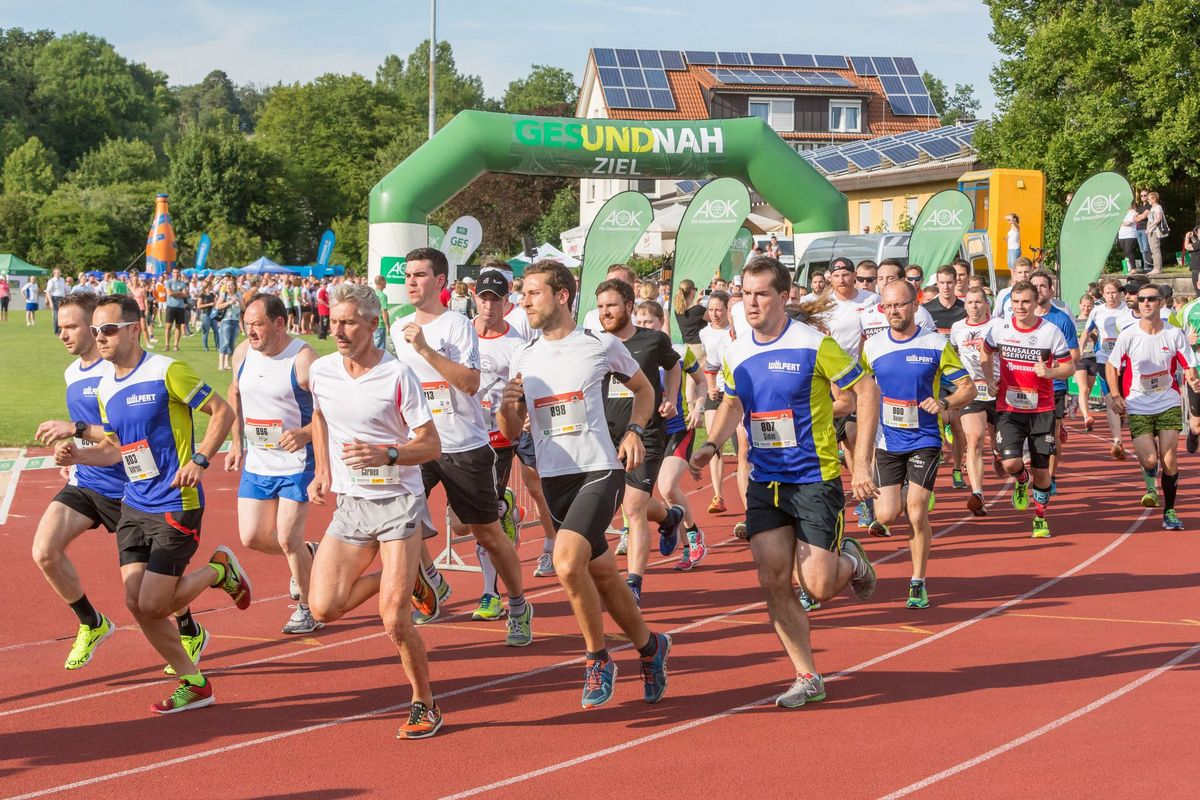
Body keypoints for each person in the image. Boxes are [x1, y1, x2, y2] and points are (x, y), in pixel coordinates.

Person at [689, 256, 879, 708]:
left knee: (815, 586)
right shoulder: (736, 350)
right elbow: (733, 404)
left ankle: (851, 561)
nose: (750, 302)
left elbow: (865, 390)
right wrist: (713, 445)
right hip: (766, 481)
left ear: (784, 296)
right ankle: (806, 674)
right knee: (773, 579)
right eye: (745, 293)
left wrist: (865, 464)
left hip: (815, 479)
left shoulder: (814, 344)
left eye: (761, 293)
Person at [54, 294, 246, 713]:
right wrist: (77, 454)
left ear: (133, 328)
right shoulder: (105, 386)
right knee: (136, 603)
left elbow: (222, 412)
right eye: (96, 330)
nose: (99, 337)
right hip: (134, 504)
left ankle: (219, 570)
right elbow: (113, 448)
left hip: (176, 502)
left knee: (157, 603)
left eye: (108, 329)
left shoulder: (166, 370)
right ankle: (194, 682)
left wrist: (200, 459)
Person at [499, 260, 670, 710]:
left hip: (599, 468)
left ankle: (597, 657)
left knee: (566, 561)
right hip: (555, 478)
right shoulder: (524, 356)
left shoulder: (600, 345)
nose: (525, 301)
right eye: (523, 294)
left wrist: (634, 430)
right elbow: (514, 428)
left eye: (533, 293)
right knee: (607, 581)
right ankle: (652, 648)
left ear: (562, 295)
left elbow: (645, 391)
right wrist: (507, 406)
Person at [305, 281, 446, 738]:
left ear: (371, 323)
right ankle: (409, 581)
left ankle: (424, 703)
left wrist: (387, 454)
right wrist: (322, 469)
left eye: (348, 322)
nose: (339, 330)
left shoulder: (397, 374)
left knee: (394, 619)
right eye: (333, 322)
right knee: (322, 607)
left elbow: (430, 444)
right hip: (351, 505)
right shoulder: (323, 372)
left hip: (397, 503)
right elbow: (320, 416)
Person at [390, 248, 533, 645]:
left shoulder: (456, 327)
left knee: (484, 533)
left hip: (464, 445)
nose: (412, 282)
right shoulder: (398, 326)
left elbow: (469, 383)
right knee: (400, 523)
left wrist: (424, 350)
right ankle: (433, 582)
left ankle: (518, 604)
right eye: (408, 275)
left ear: (440, 282)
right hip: (418, 443)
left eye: (420, 275)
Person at [861, 280, 974, 608]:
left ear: (915, 304)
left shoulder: (936, 344)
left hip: (924, 438)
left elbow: (967, 388)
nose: (894, 311)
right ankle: (910, 491)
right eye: (888, 306)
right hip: (888, 440)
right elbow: (861, 391)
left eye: (900, 305)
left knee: (915, 511)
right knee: (883, 515)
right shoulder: (873, 347)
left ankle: (917, 581)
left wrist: (944, 403)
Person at [31, 293, 129, 669]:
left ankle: (188, 629)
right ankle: (92, 623)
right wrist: (72, 456)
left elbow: (119, 435)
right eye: (60, 326)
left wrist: (74, 431)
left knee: (150, 588)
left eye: (70, 326)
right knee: (44, 550)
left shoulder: (116, 371)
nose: (62, 334)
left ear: (93, 327)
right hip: (86, 482)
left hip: (129, 490)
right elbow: (87, 434)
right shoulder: (72, 373)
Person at [225, 293, 321, 634]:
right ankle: (308, 553)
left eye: (258, 324)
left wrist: (307, 433)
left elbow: (330, 411)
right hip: (259, 462)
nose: (250, 331)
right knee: (251, 537)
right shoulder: (242, 354)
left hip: (297, 464)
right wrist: (236, 443)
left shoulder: (304, 359)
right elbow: (234, 392)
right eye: (246, 324)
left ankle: (308, 609)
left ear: (280, 323)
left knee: (287, 539)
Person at [595, 279, 685, 605]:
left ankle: (632, 585)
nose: (605, 312)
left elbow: (674, 367)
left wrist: (672, 397)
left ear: (629, 306)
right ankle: (668, 517)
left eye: (612, 305)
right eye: (601, 306)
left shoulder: (652, 340)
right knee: (625, 502)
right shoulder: (595, 343)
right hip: (605, 434)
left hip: (645, 433)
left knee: (632, 507)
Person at [979, 282, 1075, 538]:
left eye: (1026, 302)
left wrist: (1051, 372)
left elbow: (1070, 368)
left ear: (1035, 303)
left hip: (1041, 410)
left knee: (1042, 474)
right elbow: (985, 353)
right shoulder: (999, 328)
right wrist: (990, 380)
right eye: (1016, 302)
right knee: (1010, 462)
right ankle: (1021, 480)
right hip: (1008, 407)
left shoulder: (1050, 332)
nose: (1020, 307)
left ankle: (1040, 517)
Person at [1106, 286, 1198, 529]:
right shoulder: (1129, 335)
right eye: (1142, 299)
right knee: (1149, 460)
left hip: (1167, 400)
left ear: (1161, 302)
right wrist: (1116, 395)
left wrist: (1193, 378)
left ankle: (1169, 512)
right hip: (1137, 403)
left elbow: (1188, 363)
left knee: (1169, 458)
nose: (1146, 303)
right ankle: (1150, 475)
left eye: (1151, 299)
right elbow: (1112, 365)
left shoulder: (1174, 333)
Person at [469, 269, 533, 618]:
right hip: (461, 437)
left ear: (507, 301)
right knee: (460, 523)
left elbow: (523, 389)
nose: (489, 305)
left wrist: (521, 414)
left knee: (483, 523)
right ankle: (507, 505)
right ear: (474, 297)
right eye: (484, 297)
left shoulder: (516, 345)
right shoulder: (460, 334)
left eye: (496, 298)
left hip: (497, 439)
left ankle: (489, 595)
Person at [634, 300, 707, 570]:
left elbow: (701, 383)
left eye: (649, 322)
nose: (644, 327)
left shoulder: (679, 352)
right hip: (649, 433)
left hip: (678, 430)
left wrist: (698, 407)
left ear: (661, 323)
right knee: (640, 496)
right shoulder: (632, 353)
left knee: (666, 487)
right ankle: (671, 525)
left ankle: (693, 535)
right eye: (639, 322)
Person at [823, 256, 879, 524]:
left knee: (858, 441)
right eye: (837, 275)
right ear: (830, 278)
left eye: (847, 274)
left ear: (854, 275)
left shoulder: (870, 301)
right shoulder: (823, 304)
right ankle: (860, 498)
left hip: (861, 380)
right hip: (830, 381)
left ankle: (868, 501)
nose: (842, 279)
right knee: (845, 442)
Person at [1029, 269, 1082, 492]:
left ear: (1051, 291)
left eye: (1043, 286)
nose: (1039, 290)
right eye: (1035, 286)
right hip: (1025, 385)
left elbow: (1075, 354)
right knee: (1030, 434)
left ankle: (1050, 477)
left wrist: (1053, 368)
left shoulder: (1061, 319)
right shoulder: (1020, 317)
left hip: (1055, 385)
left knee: (1051, 433)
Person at [950, 286, 1001, 514]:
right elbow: (953, 354)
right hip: (972, 391)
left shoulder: (997, 325)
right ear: (965, 305)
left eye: (979, 302)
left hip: (998, 389)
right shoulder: (957, 328)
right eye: (970, 302)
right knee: (974, 438)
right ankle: (978, 493)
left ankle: (1000, 454)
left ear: (986, 304)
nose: (974, 306)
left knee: (1001, 447)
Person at [923, 265, 970, 490]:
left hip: (959, 373)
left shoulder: (965, 308)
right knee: (939, 419)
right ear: (937, 284)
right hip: (937, 374)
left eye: (949, 282)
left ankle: (957, 470)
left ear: (956, 282)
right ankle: (933, 465)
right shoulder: (928, 310)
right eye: (941, 283)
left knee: (959, 426)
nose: (946, 287)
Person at [1085, 277, 1138, 459]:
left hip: (1128, 361)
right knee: (1110, 399)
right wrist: (1077, 350)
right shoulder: (1097, 311)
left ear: (1121, 293)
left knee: (1128, 400)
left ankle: (1137, 432)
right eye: (1107, 292)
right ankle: (1117, 441)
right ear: (1102, 294)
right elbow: (1086, 332)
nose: (1111, 296)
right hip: (1105, 360)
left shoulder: (1127, 311)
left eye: (1114, 292)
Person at [699, 291, 735, 515]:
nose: (714, 314)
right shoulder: (704, 333)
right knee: (714, 443)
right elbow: (708, 363)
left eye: (718, 309)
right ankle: (718, 495)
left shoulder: (735, 332)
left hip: (736, 392)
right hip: (716, 392)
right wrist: (710, 385)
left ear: (727, 310)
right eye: (711, 309)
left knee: (744, 448)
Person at [215, 276, 242, 370]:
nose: (229, 287)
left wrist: (239, 300)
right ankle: (220, 364)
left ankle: (227, 363)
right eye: (227, 285)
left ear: (235, 286)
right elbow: (218, 306)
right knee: (225, 342)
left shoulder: (238, 294)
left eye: (231, 285)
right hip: (226, 320)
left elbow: (243, 308)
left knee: (231, 343)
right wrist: (229, 302)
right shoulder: (224, 295)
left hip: (235, 320)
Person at [164, 268, 189, 351]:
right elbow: (169, 293)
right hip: (170, 306)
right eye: (174, 272)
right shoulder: (169, 282)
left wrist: (175, 293)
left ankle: (176, 345)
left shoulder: (183, 283)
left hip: (180, 307)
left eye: (177, 272)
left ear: (179, 273)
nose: (176, 273)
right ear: (172, 273)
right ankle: (167, 345)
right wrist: (179, 292)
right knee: (168, 326)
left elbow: (185, 295)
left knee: (178, 326)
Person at [1145, 192, 1168, 275]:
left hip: (1154, 231)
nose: (1148, 201)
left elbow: (1158, 219)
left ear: (1154, 199)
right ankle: (1156, 268)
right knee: (1153, 250)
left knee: (1155, 249)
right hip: (1151, 231)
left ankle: (1157, 269)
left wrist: (1150, 228)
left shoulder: (1158, 207)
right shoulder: (1152, 208)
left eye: (1149, 199)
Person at [1118, 202, 1141, 273]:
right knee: (1125, 252)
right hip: (1121, 235)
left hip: (1130, 234)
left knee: (1128, 251)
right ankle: (1128, 268)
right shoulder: (1122, 213)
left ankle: (1134, 269)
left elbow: (1128, 223)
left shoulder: (1134, 212)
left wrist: (1119, 223)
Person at [371, 275, 392, 351]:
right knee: (379, 349)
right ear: (382, 282)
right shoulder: (382, 296)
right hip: (380, 325)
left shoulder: (371, 293)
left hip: (371, 324)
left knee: (372, 346)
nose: (386, 283)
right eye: (385, 282)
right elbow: (384, 311)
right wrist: (388, 326)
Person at [196, 279, 216, 352]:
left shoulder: (212, 294)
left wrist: (215, 303)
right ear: (207, 286)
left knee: (216, 331)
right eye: (211, 285)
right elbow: (198, 306)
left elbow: (216, 303)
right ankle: (205, 347)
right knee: (206, 332)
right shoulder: (202, 295)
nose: (212, 287)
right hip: (205, 314)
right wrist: (209, 304)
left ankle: (218, 346)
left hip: (213, 314)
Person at [47, 268, 67, 333]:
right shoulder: (51, 281)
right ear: (54, 273)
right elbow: (48, 292)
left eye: (59, 272)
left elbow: (64, 289)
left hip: (62, 298)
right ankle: (56, 331)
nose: (59, 274)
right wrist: (50, 301)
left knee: (62, 314)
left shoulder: (62, 279)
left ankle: (61, 328)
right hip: (55, 298)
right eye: (57, 273)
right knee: (56, 315)